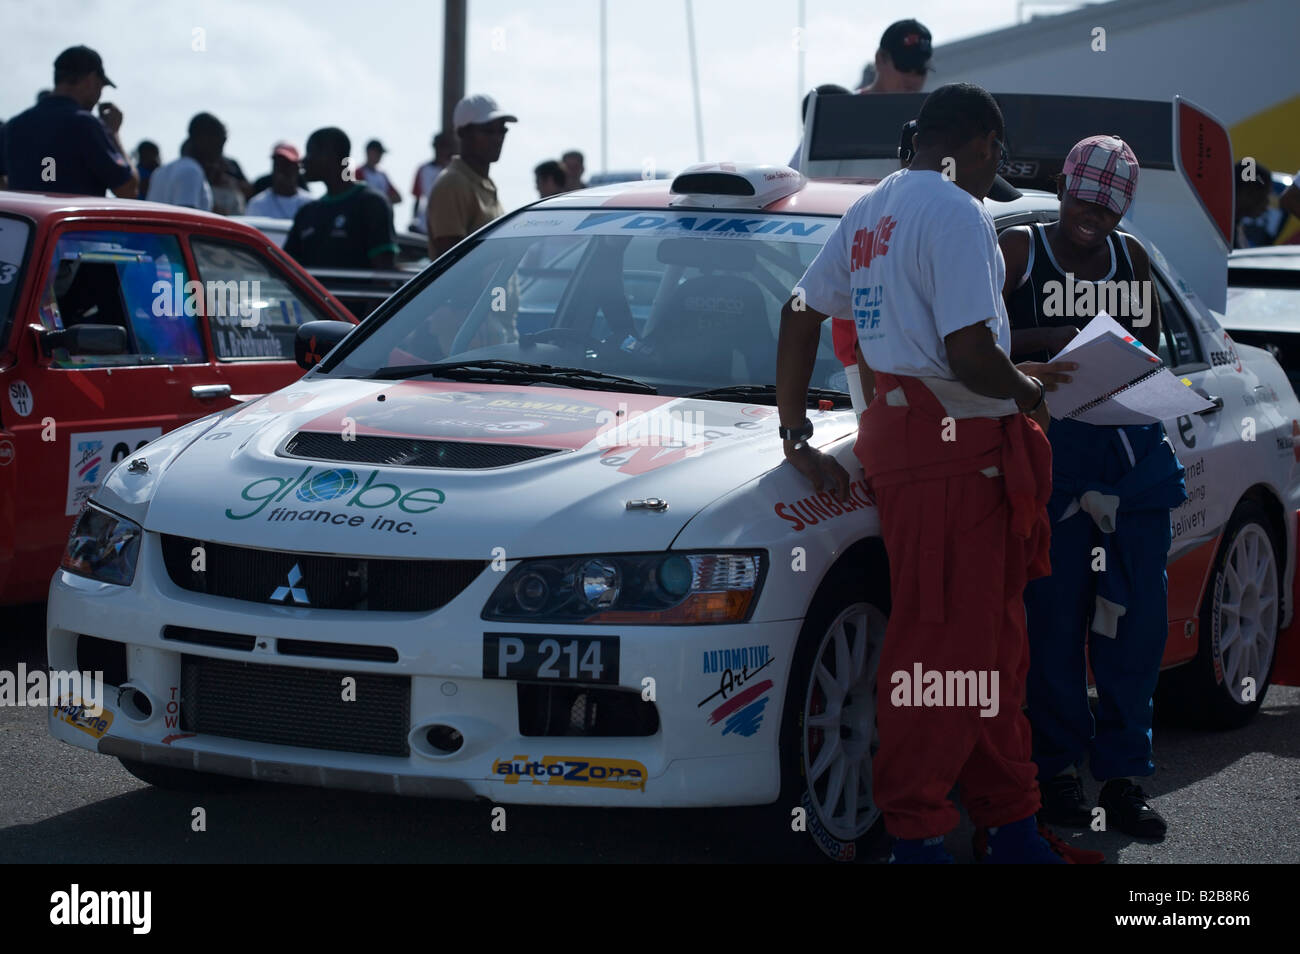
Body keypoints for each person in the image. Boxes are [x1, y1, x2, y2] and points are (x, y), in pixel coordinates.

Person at [776, 83, 1078, 864]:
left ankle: (1009, 824)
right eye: (995, 158)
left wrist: (794, 436)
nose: (993, 172)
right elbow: (972, 353)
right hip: (955, 455)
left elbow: (800, 311)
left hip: (918, 441)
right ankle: (919, 834)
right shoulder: (955, 208)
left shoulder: (873, 207)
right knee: (944, 656)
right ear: (982, 143)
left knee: (989, 646)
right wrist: (1028, 392)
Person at [1001, 135, 1186, 841]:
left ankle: (1123, 780)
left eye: (1109, 209)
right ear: (1063, 186)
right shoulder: (1021, 250)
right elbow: (973, 343)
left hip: (1131, 468)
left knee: (1132, 634)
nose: (1092, 218)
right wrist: (1051, 337)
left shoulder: (1131, 257)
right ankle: (1055, 775)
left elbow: (1150, 354)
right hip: (1053, 469)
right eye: (1084, 200)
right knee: (1051, 630)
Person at [3, 45, 137, 197]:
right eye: (101, 86)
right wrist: (113, 134)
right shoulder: (85, 124)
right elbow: (128, 190)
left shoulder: (14, 125)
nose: (100, 94)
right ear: (91, 80)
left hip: (27, 219)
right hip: (73, 220)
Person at [284, 127, 397, 270]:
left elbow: (384, 276)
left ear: (329, 155)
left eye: (310, 152)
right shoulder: (306, 213)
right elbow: (287, 271)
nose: (303, 160)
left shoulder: (372, 204)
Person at [427, 94, 516, 258]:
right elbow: (452, 264)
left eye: (502, 130)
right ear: (462, 133)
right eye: (488, 131)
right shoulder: (452, 184)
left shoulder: (485, 182)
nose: (498, 138)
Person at [147, 115, 228, 211]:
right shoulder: (191, 172)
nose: (221, 151)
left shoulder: (161, 171)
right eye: (220, 141)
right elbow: (186, 221)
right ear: (204, 138)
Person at [859, 19, 933, 94]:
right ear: (880, 60)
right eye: (904, 67)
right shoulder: (849, 105)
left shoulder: (932, 105)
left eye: (920, 70)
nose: (912, 78)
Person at [246, 142, 313, 219]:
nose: (281, 169)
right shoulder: (257, 204)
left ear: (297, 168)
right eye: (278, 164)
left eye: (287, 164)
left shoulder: (310, 203)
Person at [410, 131, 456, 233]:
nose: (440, 150)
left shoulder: (453, 170)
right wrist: (414, 220)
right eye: (438, 146)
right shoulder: (423, 169)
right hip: (425, 224)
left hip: (450, 224)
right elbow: (417, 198)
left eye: (443, 147)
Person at [1233, 158, 1275, 248]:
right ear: (1246, 192)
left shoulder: (1235, 226)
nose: (1266, 206)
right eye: (1264, 196)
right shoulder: (1220, 229)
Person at [357, 139, 401, 205]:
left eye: (381, 153)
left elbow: (398, 198)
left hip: (382, 213)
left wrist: (378, 200)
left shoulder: (383, 175)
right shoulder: (358, 172)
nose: (380, 156)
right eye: (378, 152)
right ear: (369, 152)